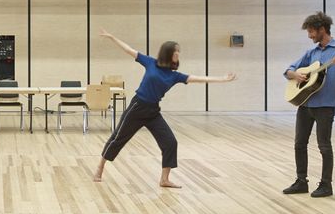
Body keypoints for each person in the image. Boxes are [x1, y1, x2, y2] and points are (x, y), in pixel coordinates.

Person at [93, 30, 236, 188]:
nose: (178, 54)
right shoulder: (150, 63)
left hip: (153, 111)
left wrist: (222, 79)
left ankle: (164, 179)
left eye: (178, 52)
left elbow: (198, 79)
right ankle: (100, 168)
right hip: (137, 107)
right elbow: (128, 50)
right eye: (176, 51)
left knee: (170, 142)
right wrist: (112, 37)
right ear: (168, 53)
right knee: (118, 138)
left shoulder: (174, 76)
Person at [281, 11, 335, 198]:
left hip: (326, 105)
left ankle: (326, 185)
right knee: (299, 144)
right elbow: (288, 70)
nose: (309, 36)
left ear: (322, 29)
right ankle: (301, 181)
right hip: (305, 103)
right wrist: (296, 75)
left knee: (324, 146)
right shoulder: (311, 53)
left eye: (311, 32)